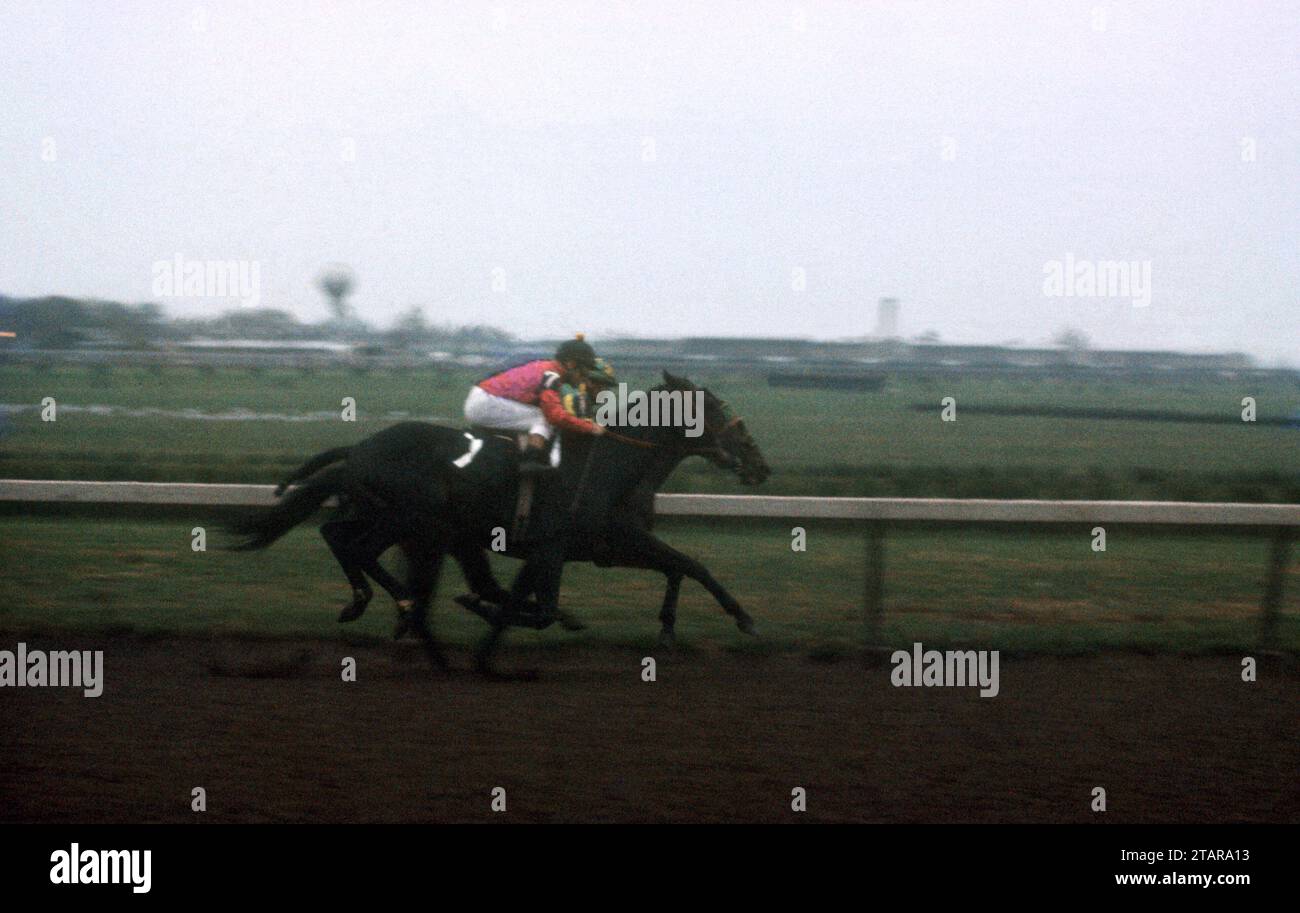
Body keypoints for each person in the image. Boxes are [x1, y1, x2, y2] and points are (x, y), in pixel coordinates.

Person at [463, 334, 607, 473]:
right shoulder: (551, 375)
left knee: (539, 416)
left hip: (484, 398)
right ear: (571, 364)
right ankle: (532, 460)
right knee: (543, 418)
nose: (584, 377)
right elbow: (554, 416)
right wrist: (590, 428)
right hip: (484, 402)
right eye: (584, 370)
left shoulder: (549, 369)